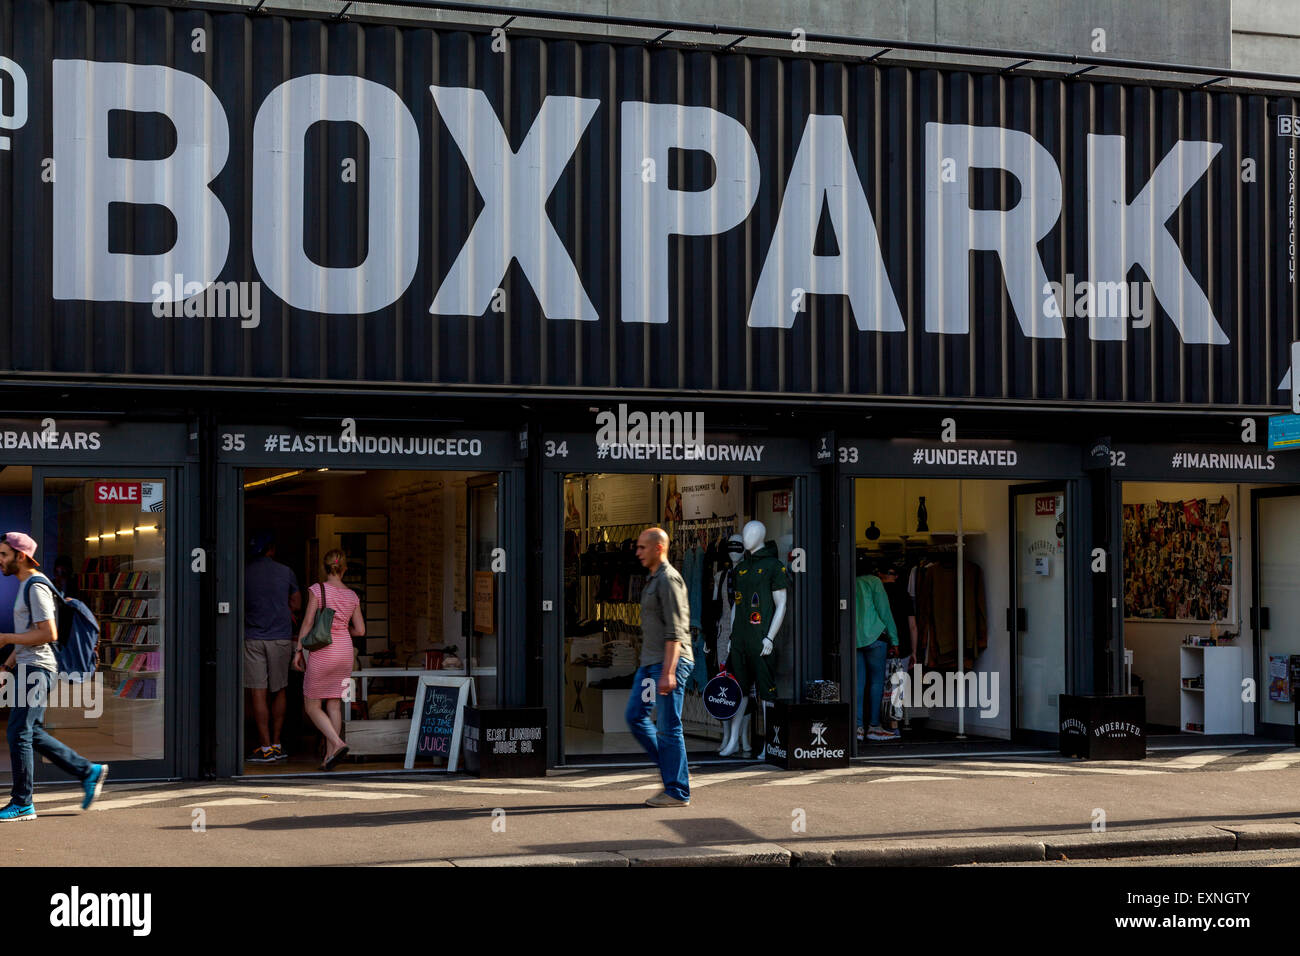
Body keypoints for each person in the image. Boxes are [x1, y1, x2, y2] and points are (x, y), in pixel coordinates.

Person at [0, 532, 107, 821]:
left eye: (4, 555)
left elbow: (49, 633)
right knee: (30, 731)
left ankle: (22, 803)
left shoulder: (35, 586)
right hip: (27, 666)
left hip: (37, 668)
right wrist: (7, 665)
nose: (0, 560)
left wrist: (5, 638)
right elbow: (29, 635)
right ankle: (88, 770)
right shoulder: (26, 586)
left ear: (20, 556)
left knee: (18, 732)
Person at [625, 527, 694, 807]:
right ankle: (670, 771)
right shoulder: (652, 579)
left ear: (658, 548)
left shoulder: (669, 580)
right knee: (635, 716)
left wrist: (668, 672)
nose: (638, 552)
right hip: (649, 666)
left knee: (668, 727)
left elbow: (675, 631)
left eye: (642, 547)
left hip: (668, 665)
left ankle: (677, 791)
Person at [293, 549, 364, 770]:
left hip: (323, 652)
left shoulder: (318, 590)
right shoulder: (352, 596)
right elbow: (360, 630)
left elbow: (307, 622)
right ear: (344, 569)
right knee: (334, 704)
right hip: (344, 653)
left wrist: (298, 650)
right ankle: (330, 758)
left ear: (325, 568)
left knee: (312, 705)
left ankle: (337, 742)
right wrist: (343, 629)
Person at [243, 531, 301, 763]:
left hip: (253, 637)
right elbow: (296, 604)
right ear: (272, 549)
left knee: (258, 691)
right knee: (280, 689)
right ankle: (278, 743)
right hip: (280, 638)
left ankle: (265, 747)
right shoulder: (285, 572)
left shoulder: (243, 572)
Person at [855, 563, 898, 743]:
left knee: (858, 683)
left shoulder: (848, 581)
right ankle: (873, 726)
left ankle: (857, 727)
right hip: (875, 637)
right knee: (876, 682)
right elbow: (884, 611)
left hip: (854, 638)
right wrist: (894, 640)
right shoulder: (874, 582)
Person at [878, 560, 918, 738]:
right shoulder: (905, 595)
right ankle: (894, 724)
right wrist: (914, 652)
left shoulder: (877, 594)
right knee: (896, 687)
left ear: (880, 575)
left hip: (880, 644)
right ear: (897, 576)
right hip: (902, 647)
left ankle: (875, 723)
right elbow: (913, 626)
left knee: (876, 685)